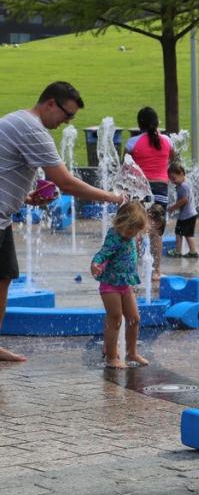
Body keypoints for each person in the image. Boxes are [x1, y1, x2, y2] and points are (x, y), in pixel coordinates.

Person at [0, 81, 124, 363]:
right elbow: (66, 183)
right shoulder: (32, 129)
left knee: (4, 277)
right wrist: (115, 198)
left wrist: (27, 197)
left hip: (3, 218)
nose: (67, 123)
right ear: (50, 104)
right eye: (67, 115)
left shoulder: (20, 121)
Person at [91, 201, 149, 369]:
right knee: (115, 318)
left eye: (136, 229)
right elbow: (103, 253)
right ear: (121, 222)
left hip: (125, 284)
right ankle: (111, 357)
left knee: (134, 318)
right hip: (110, 284)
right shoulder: (114, 235)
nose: (133, 233)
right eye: (130, 228)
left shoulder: (132, 235)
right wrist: (95, 263)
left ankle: (132, 352)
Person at [126, 106, 174, 280]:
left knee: (137, 228)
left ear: (140, 124)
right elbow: (172, 157)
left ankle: (135, 269)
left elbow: (126, 165)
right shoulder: (167, 141)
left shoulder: (132, 143)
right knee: (156, 231)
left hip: (140, 188)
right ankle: (157, 270)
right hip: (161, 188)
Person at [166, 163, 198, 258]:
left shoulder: (183, 186)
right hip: (187, 215)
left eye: (174, 178)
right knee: (180, 233)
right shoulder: (183, 184)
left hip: (187, 216)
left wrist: (173, 207)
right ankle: (179, 251)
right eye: (170, 179)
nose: (172, 181)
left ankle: (192, 252)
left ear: (181, 174)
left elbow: (184, 200)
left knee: (186, 234)